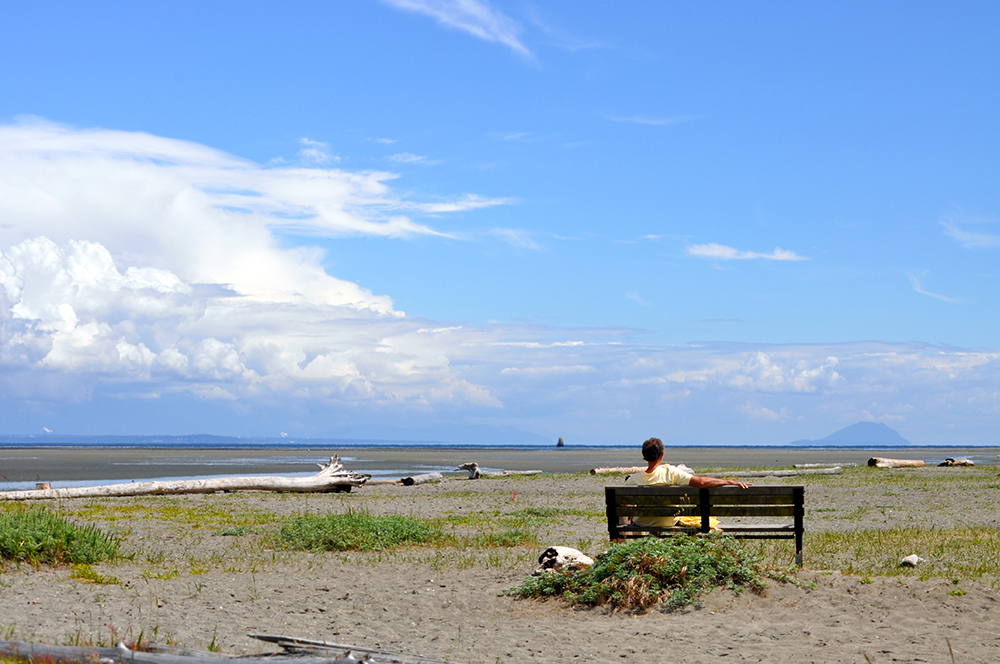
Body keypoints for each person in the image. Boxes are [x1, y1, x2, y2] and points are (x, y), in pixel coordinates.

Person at [627, 437, 751, 529]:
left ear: (644, 456)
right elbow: (701, 483)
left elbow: (624, 505)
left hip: (641, 522)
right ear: (662, 455)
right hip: (667, 522)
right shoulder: (671, 472)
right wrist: (728, 481)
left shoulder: (633, 479)